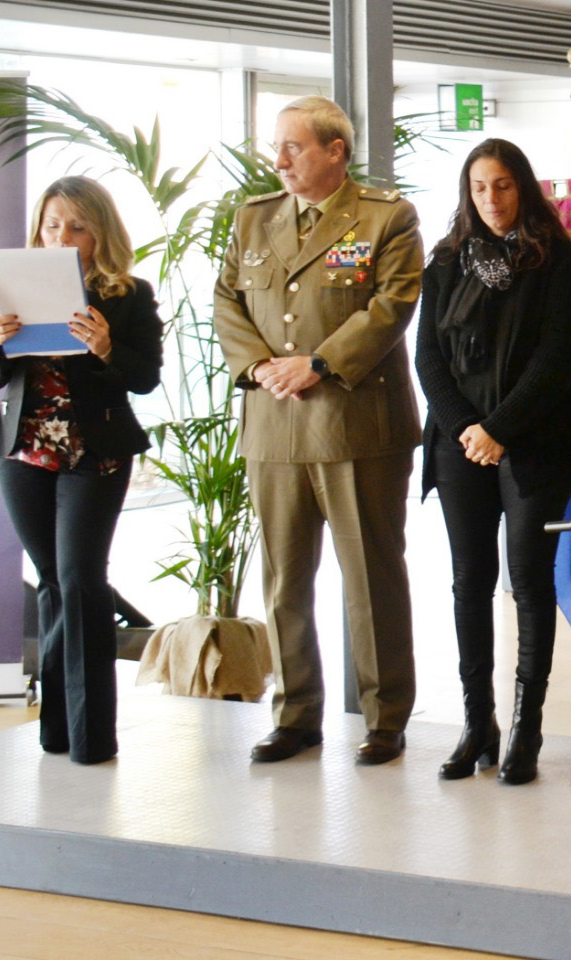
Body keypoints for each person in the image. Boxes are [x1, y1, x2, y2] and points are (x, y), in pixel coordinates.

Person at [213, 95, 424, 765]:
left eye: (293, 147)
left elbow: (392, 305)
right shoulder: (253, 218)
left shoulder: (386, 216)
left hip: (356, 427)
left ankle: (385, 718)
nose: (278, 160)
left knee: (370, 579)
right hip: (274, 424)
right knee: (284, 582)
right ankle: (296, 714)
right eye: (276, 146)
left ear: (336, 151)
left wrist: (319, 363)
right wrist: (259, 367)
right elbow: (227, 300)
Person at [0, 176, 163, 765]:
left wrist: (106, 348)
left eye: (77, 226)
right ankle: (57, 729)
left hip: (94, 450)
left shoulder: (128, 294)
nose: (62, 236)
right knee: (53, 582)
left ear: (100, 232)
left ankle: (92, 737)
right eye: (53, 224)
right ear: (39, 229)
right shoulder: (12, 286)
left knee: (81, 579)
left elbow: (145, 377)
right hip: (24, 450)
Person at [414, 139, 571, 786]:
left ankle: (525, 730)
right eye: (480, 187)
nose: (491, 199)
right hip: (459, 444)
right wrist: (468, 430)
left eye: (504, 186)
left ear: (524, 189)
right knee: (470, 582)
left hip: (534, 441)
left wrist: (499, 430)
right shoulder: (446, 261)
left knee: (530, 581)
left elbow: (554, 361)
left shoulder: (555, 259)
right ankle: (476, 723)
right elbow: (427, 357)